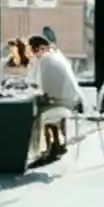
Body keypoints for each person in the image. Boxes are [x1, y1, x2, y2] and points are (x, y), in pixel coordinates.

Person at [25, 35, 83, 167]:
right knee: (43, 108)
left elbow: (47, 91)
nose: (34, 55)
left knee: (36, 113)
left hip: (63, 103)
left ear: (39, 48)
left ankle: (43, 150)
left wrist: (39, 93)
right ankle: (55, 145)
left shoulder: (46, 60)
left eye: (34, 51)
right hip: (70, 101)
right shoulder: (55, 56)